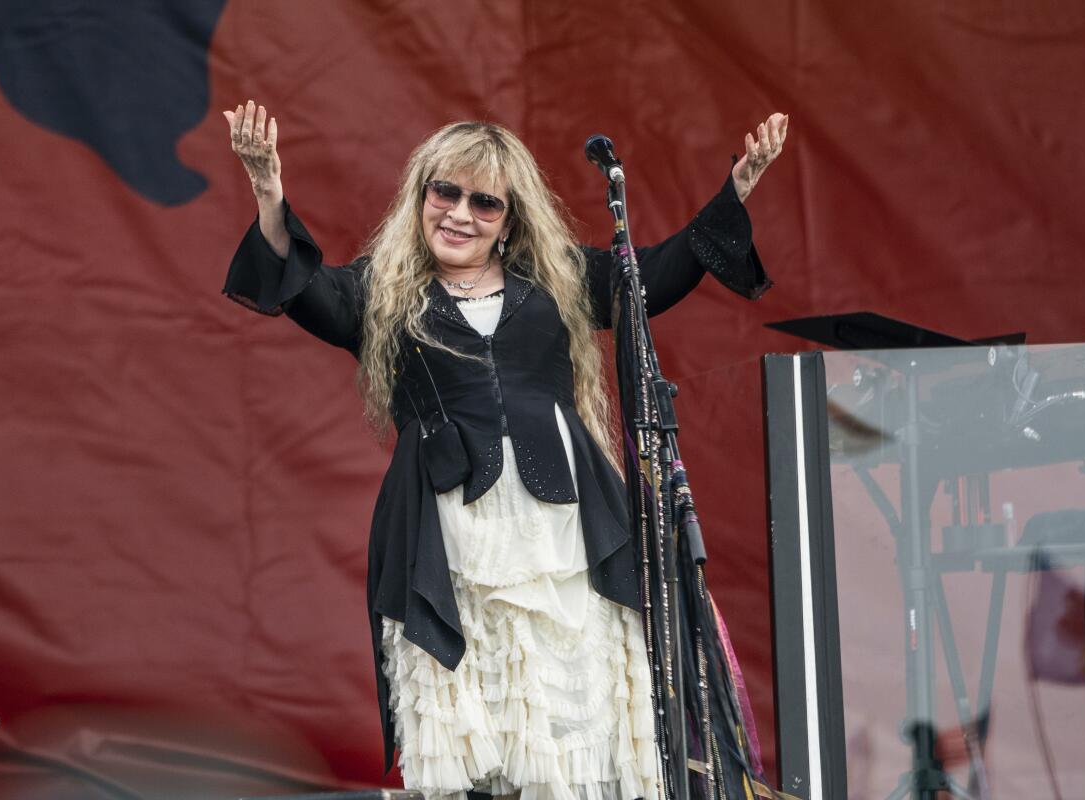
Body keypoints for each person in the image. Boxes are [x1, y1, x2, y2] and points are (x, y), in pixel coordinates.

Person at [221, 101, 787, 800]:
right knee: (473, 726)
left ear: (510, 221)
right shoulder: (382, 292)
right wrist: (269, 192)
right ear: (421, 194)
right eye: (445, 192)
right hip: (452, 538)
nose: (460, 213)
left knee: (574, 716)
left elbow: (658, 276)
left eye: (484, 202)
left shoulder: (556, 282)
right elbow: (300, 286)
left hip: (565, 535)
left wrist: (737, 188)